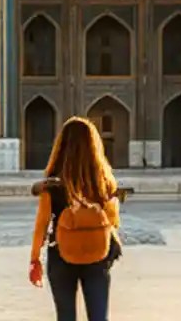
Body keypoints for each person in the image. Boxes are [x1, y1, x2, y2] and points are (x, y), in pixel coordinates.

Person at [29, 116, 122, 321]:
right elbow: (112, 220)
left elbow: (42, 225)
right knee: (98, 317)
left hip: (61, 253)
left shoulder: (52, 183)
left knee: (66, 317)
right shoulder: (103, 180)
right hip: (98, 254)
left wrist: (34, 259)